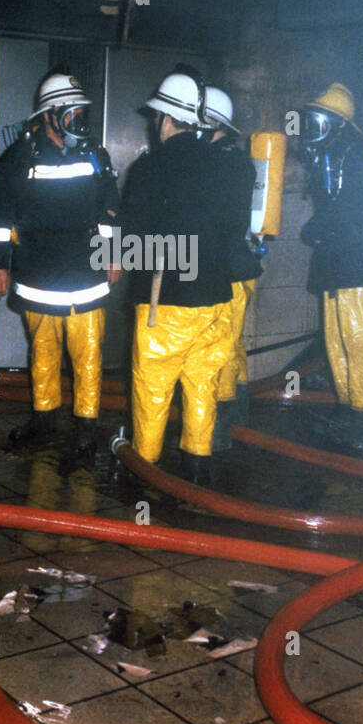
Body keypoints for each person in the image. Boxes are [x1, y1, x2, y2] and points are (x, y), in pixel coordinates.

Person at [0, 70, 120, 465]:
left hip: (85, 275)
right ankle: (43, 420)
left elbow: (110, 210)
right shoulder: (18, 159)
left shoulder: (96, 155)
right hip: (37, 274)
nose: (78, 116)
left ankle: (85, 431)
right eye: (71, 110)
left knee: (87, 354)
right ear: (48, 114)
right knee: (42, 350)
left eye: (81, 110)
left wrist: (115, 255)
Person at [117, 69, 238, 484]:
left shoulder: (149, 168)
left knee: (153, 389)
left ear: (165, 120)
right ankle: (196, 470)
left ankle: (145, 473)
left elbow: (130, 245)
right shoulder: (224, 165)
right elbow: (231, 229)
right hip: (217, 298)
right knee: (201, 386)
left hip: (164, 301)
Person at [297, 82, 363, 453]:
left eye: (319, 121)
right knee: (336, 344)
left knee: (361, 343)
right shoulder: (330, 158)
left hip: (362, 268)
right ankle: (346, 413)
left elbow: (355, 216)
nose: (311, 129)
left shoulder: (358, 158)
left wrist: (319, 231)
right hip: (338, 267)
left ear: (338, 124)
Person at [201, 86, 262, 453]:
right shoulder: (238, 161)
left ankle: (219, 428)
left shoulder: (211, 163)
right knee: (233, 340)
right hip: (240, 267)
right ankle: (240, 409)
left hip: (223, 270)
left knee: (219, 345)